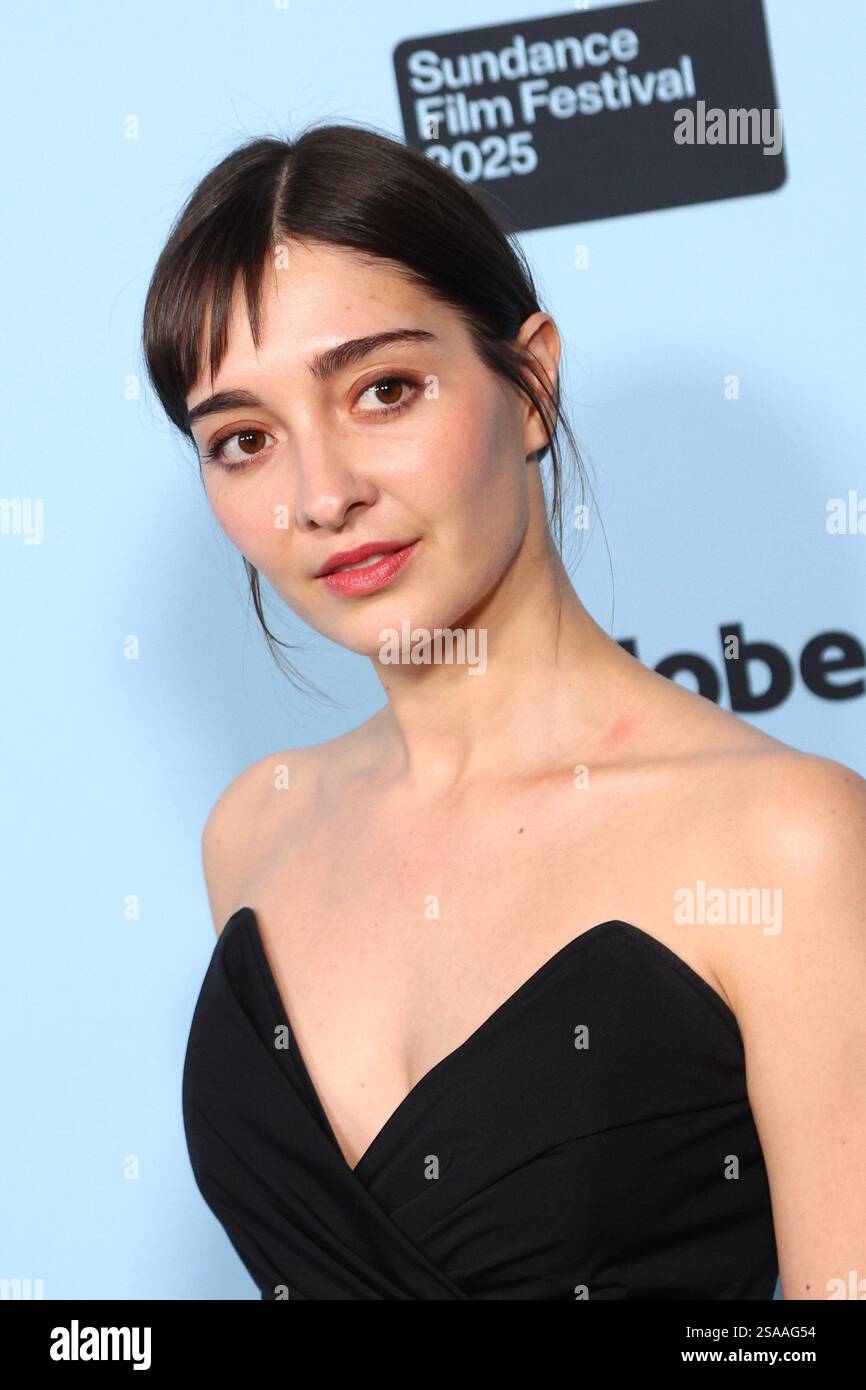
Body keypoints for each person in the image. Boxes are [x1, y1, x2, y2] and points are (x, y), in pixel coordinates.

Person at [143, 122, 866, 1300]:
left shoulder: (785, 840)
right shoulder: (255, 830)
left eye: (382, 390)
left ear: (528, 382)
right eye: (243, 439)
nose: (322, 494)